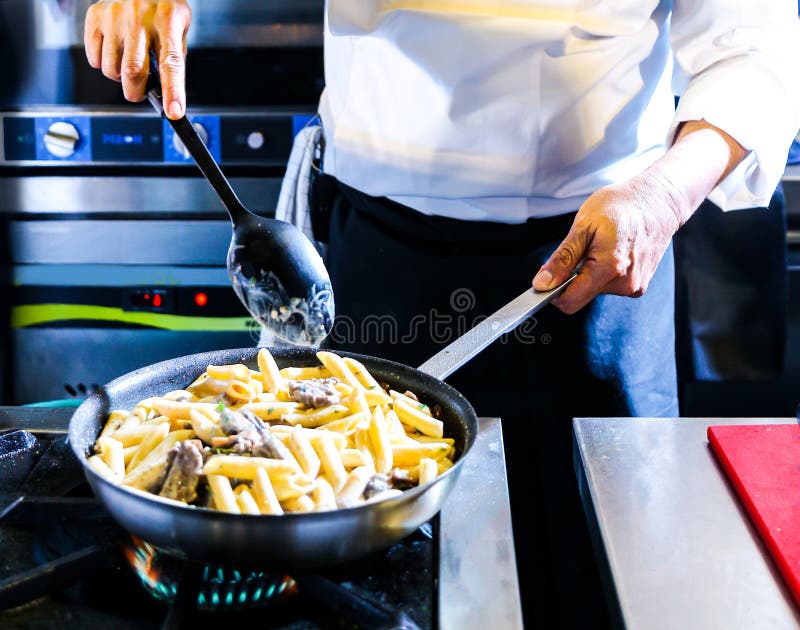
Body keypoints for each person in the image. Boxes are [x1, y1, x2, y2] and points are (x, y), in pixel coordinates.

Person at [84, 2, 800, 627]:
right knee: (357, 586)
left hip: (600, 262)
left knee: (599, 579)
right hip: (378, 255)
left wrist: (665, 198)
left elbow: (755, 49)